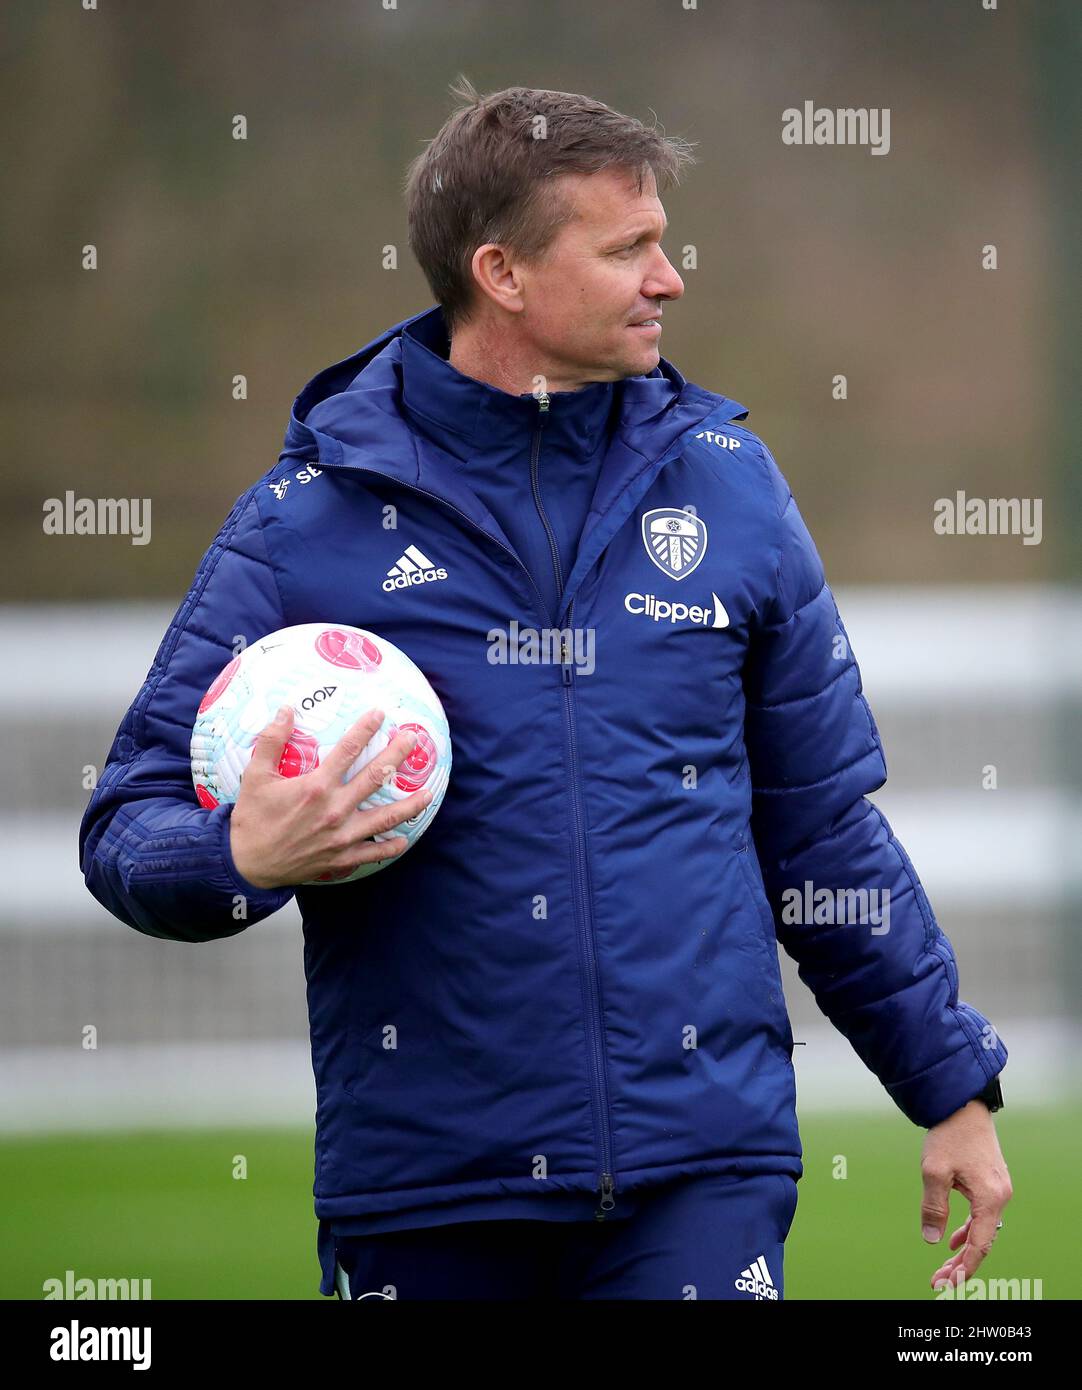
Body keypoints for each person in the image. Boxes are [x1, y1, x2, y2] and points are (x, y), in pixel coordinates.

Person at [79, 79, 1011, 1301]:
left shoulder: (728, 487)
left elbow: (819, 828)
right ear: (502, 274)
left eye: (661, 244)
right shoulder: (307, 523)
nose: (668, 279)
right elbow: (126, 825)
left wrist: (944, 1078)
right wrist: (236, 855)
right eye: (627, 249)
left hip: (698, 1171)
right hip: (427, 1186)